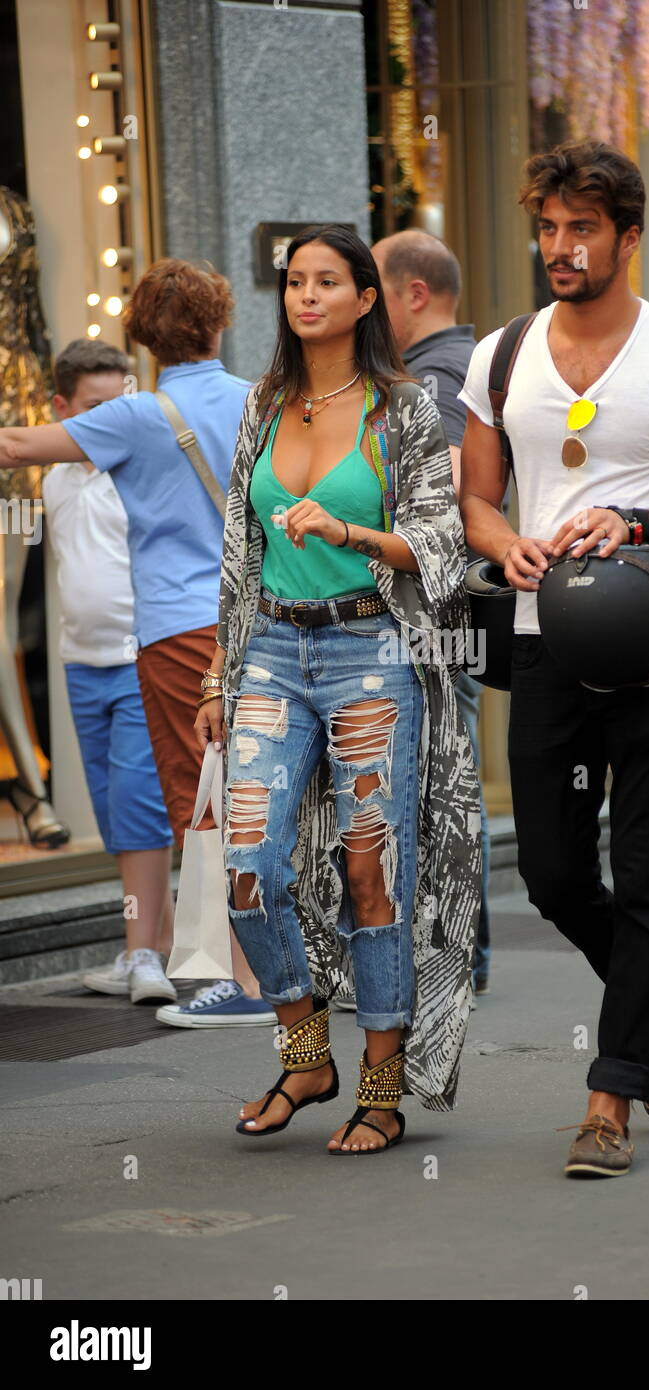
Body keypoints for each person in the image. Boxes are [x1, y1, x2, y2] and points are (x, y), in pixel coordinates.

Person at [458, 141, 649, 1178]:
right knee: (550, 873)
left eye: (580, 228)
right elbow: (476, 500)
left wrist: (638, 521)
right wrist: (509, 546)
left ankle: (610, 1096)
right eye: (546, 227)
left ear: (627, 237)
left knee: (646, 879)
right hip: (545, 642)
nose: (559, 246)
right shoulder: (500, 356)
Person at [196, 222, 481, 1153]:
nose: (305, 295)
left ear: (367, 299)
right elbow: (238, 554)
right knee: (250, 866)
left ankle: (383, 1086)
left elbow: (444, 547)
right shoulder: (263, 404)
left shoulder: (400, 407)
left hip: (371, 652)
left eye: (327, 282)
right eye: (294, 282)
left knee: (372, 872)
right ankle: (304, 1049)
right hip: (274, 649)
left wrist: (353, 535)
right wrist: (215, 674)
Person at [0, 259, 272, 1027]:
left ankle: (247, 984)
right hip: (264, 619)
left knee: (207, 802)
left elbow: (16, 447)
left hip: (181, 630)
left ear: (144, 338)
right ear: (219, 322)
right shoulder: (260, 397)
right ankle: (277, 969)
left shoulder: (135, 415)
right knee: (261, 791)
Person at [372, 228, 492, 995]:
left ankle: (457, 956)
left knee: (441, 783)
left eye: (370, 289)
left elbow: (446, 488)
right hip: (434, 615)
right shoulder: (456, 365)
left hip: (432, 616)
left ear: (413, 295)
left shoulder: (441, 377)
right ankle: (452, 953)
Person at [42, 339, 176, 1005]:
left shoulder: (144, 471)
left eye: (121, 405)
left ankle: (142, 953)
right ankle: (157, 944)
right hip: (79, 663)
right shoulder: (53, 477)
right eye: (94, 409)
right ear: (61, 410)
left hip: (135, 659)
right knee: (112, 815)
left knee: (136, 813)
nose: (110, 423)